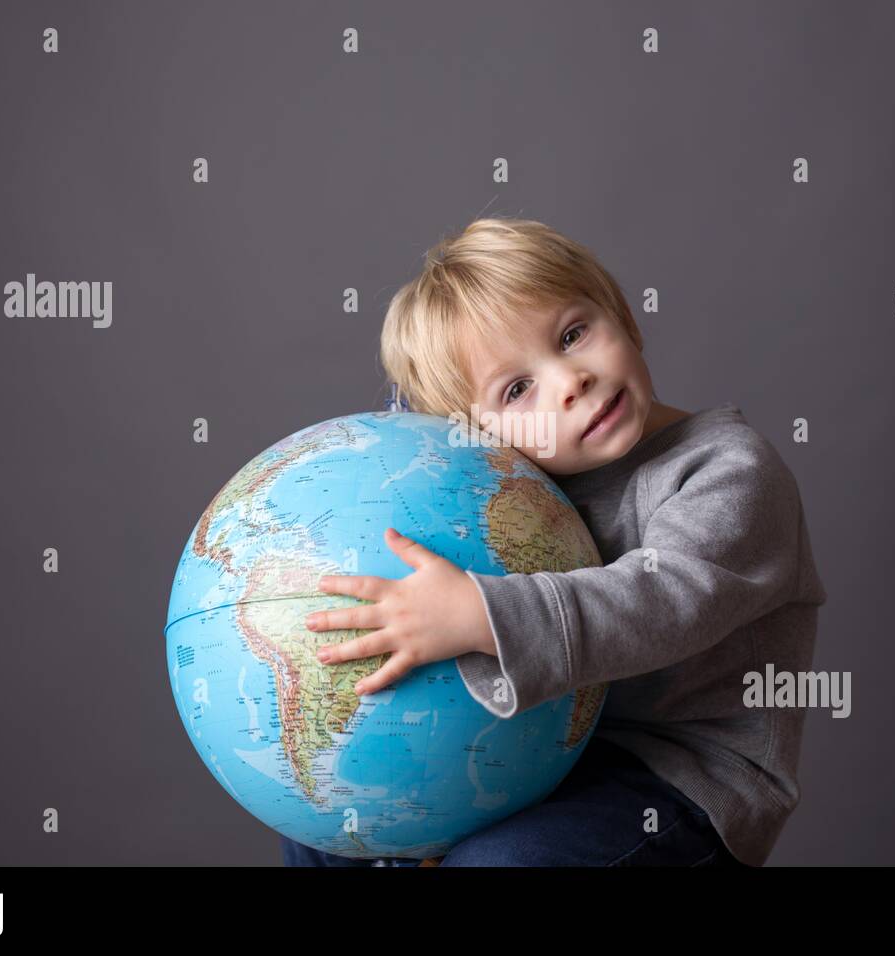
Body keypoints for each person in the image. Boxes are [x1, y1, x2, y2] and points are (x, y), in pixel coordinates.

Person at [283, 217, 827, 866]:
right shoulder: (520, 488)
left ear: (624, 315)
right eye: (518, 389)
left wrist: (475, 614)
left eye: (573, 335)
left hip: (682, 781)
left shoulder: (729, 471)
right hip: (540, 748)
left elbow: (656, 604)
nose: (571, 383)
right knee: (330, 826)